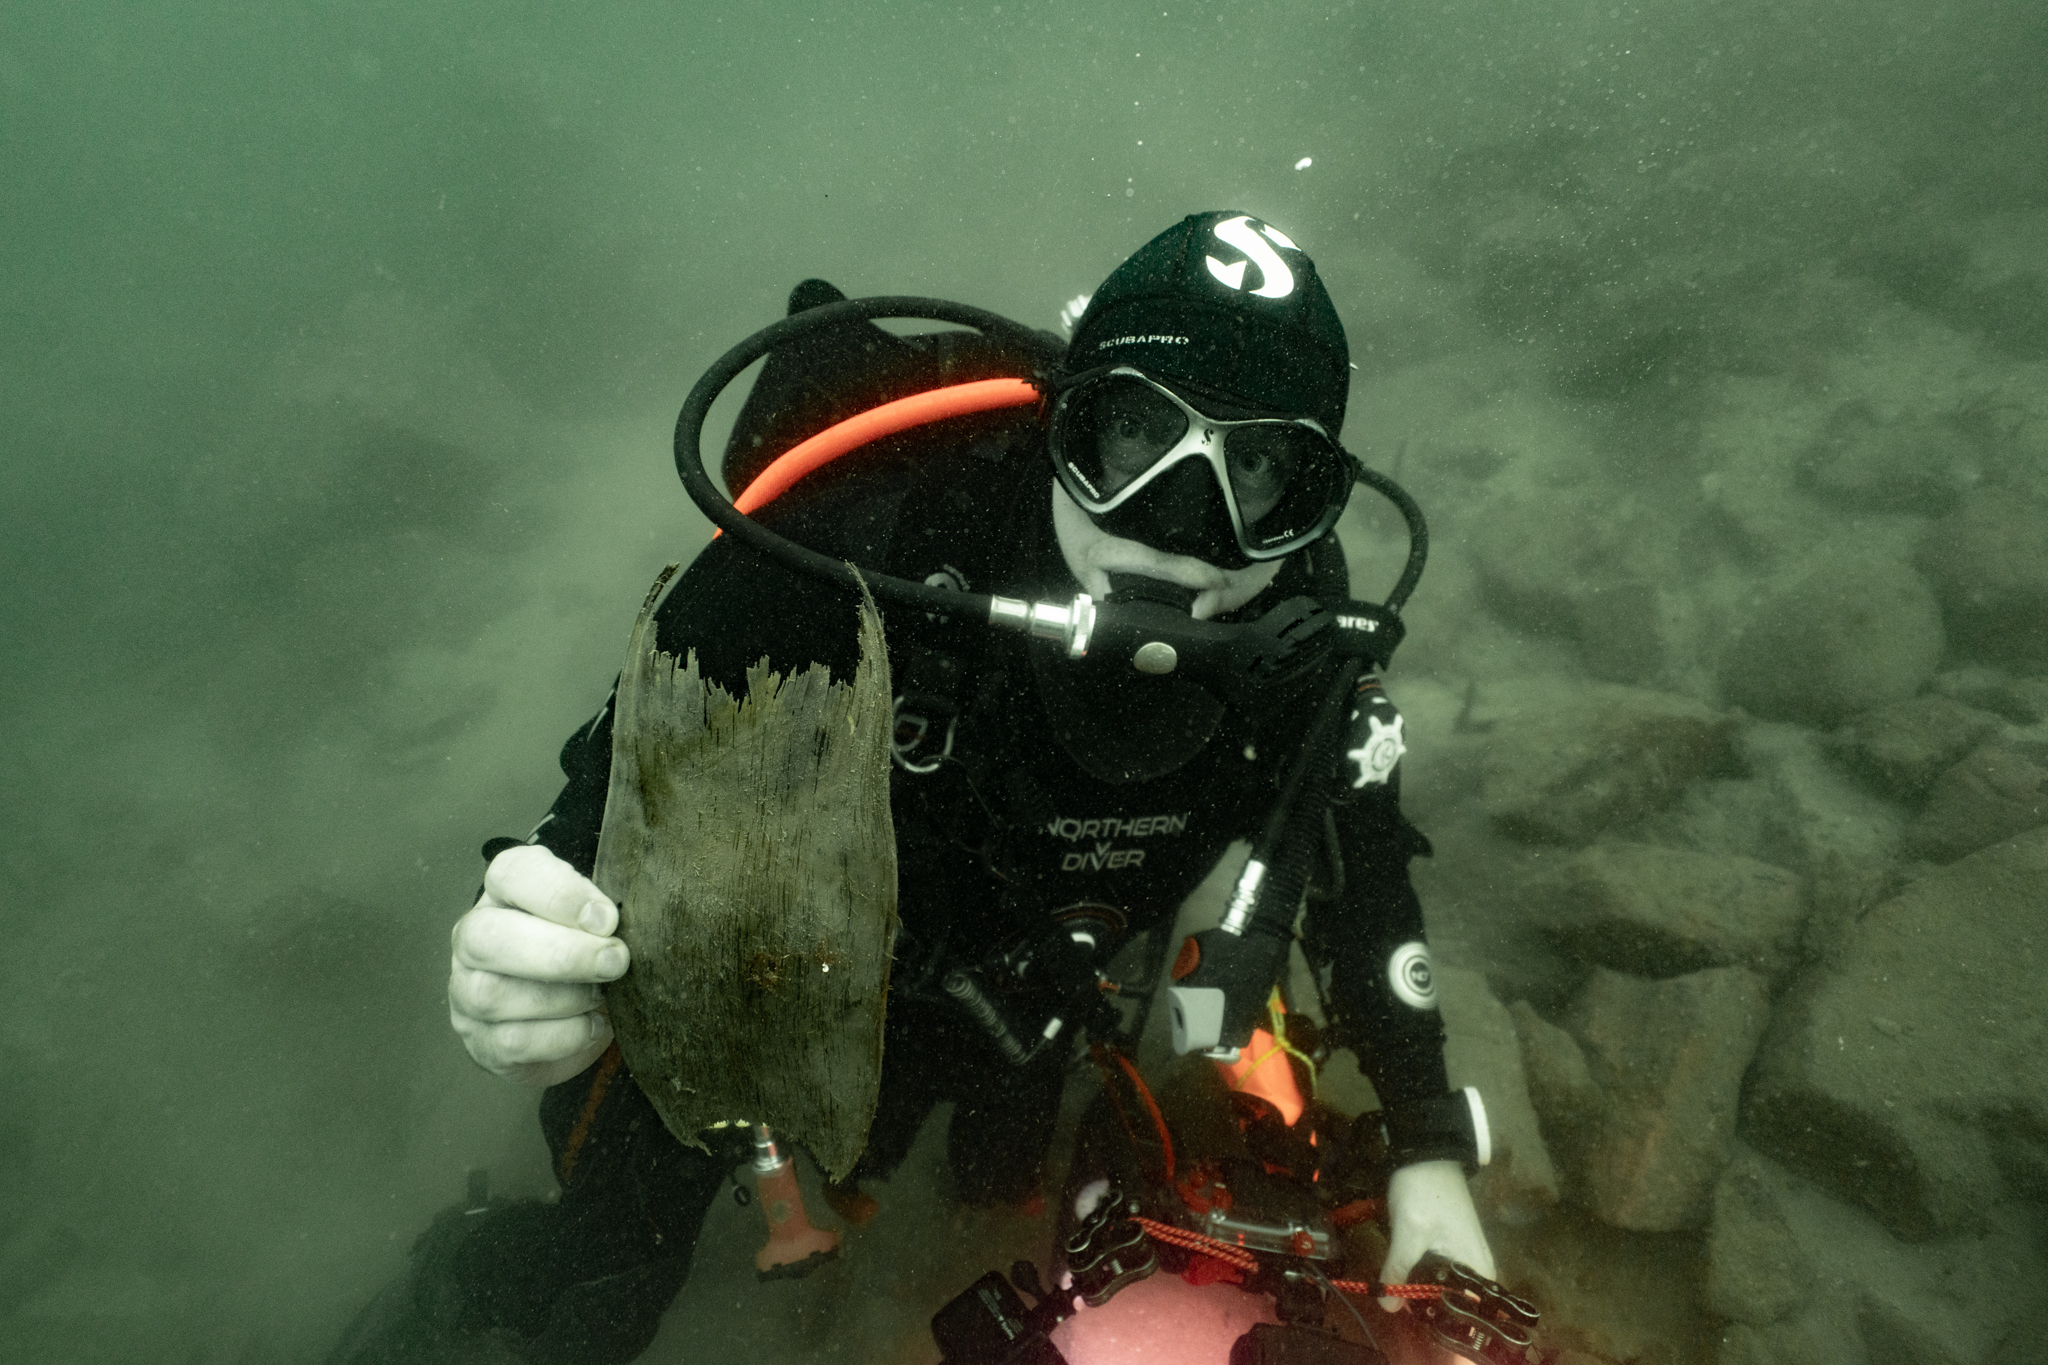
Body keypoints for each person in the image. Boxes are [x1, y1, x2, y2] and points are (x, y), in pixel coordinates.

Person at [334, 211, 1495, 1365]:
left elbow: (1363, 878)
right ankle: (466, 1288)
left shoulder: (1300, 646)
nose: (1182, 526)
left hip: (1024, 1001)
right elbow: (599, 816)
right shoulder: (863, 552)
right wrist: (519, 957)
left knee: (1004, 1189)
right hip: (764, 988)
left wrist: (1428, 1158)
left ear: (1313, 506)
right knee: (590, 1284)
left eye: (1258, 471)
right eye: (1133, 434)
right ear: (1059, 423)